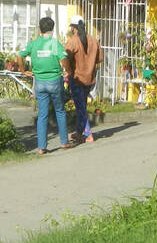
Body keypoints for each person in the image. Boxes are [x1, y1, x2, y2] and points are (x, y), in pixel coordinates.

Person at [21, 17, 72, 154]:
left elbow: (20, 56)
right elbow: (64, 59)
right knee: (60, 111)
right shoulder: (54, 44)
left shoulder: (34, 44)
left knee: (42, 114)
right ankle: (64, 142)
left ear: (40, 29)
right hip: (54, 81)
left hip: (39, 82)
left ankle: (41, 147)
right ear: (52, 29)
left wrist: (23, 70)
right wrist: (68, 71)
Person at [65, 15, 102, 143]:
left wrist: (69, 71)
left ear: (74, 28)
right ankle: (79, 132)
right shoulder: (93, 40)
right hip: (89, 78)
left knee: (80, 107)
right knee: (82, 105)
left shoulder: (72, 41)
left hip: (76, 78)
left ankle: (88, 134)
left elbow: (65, 59)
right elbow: (99, 59)